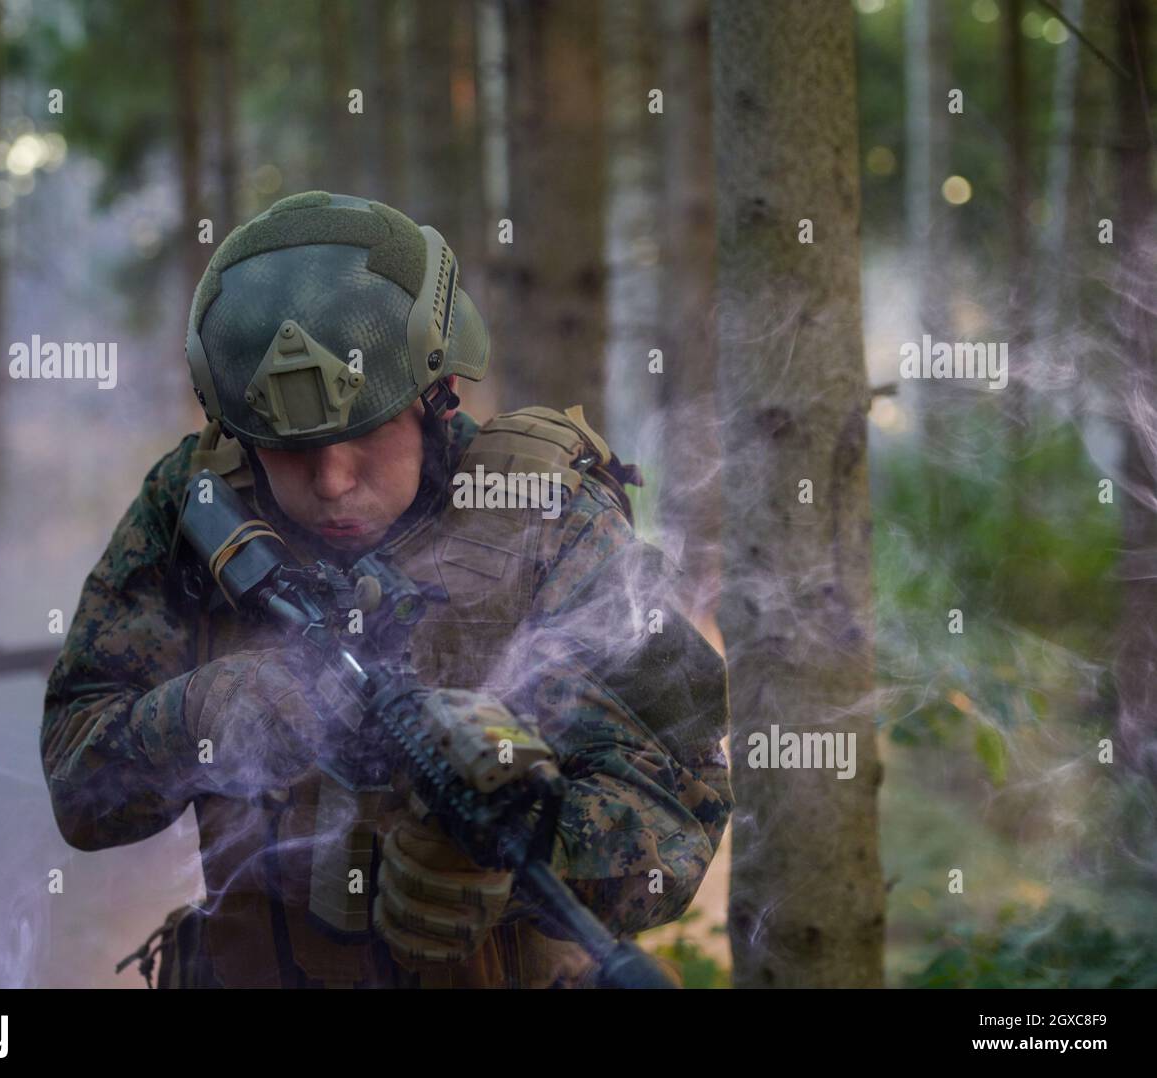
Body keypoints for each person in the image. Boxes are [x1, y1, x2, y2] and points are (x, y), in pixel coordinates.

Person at [41, 191, 732, 988]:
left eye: (364, 433)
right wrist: (203, 714)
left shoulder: (542, 517)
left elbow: (681, 808)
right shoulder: (196, 505)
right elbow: (77, 787)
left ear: (437, 398)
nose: (333, 483)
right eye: (289, 449)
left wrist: (521, 859)